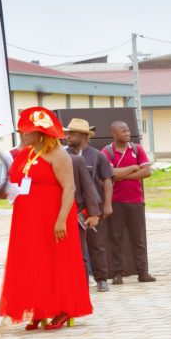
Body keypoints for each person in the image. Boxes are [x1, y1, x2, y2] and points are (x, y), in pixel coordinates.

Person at [0, 107, 93, 330]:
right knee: (35, 262)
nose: (23, 134)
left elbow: (69, 188)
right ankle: (40, 308)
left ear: (41, 133)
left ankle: (63, 309)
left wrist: (61, 220)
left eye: (28, 131)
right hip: (28, 218)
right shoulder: (26, 154)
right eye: (23, 131)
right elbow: (17, 183)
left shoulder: (59, 155)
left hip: (53, 216)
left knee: (56, 261)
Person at [102, 119, 154, 284]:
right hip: (115, 201)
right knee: (115, 238)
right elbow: (110, 174)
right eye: (122, 131)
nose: (127, 133)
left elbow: (146, 172)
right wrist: (133, 168)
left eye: (127, 130)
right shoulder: (107, 151)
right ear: (114, 133)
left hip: (136, 201)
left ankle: (143, 272)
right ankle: (117, 273)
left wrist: (121, 175)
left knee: (138, 238)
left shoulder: (137, 149)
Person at [65, 118, 113, 292]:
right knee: (77, 248)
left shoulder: (97, 155)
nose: (67, 136)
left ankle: (101, 279)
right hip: (72, 207)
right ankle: (81, 281)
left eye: (72, 133)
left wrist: (107, 205)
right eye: (67, 133)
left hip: (93, 207)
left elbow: (107, 180)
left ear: (84, 136)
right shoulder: (63, 154)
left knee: (96, 244)